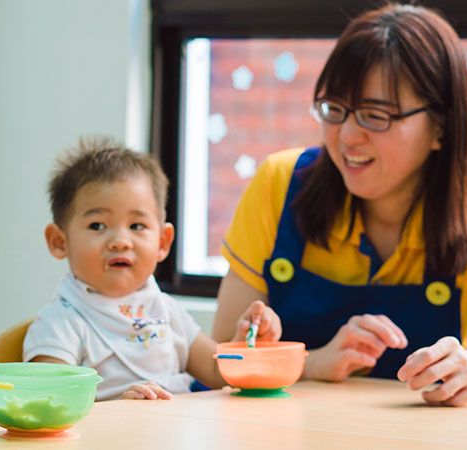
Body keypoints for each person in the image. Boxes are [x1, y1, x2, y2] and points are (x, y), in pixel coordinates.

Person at [211, 3, 467, 407]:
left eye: (375, 116)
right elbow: (220, 356)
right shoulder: (280, 184)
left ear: (440, 125)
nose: (348, 136)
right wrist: (313, 363)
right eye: (334, 110)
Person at [23, 138, 282, 401]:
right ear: (59, 242)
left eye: (136, 226)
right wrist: (116, 407)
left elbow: (218, 372)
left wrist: (246, 337)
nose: (120, 241)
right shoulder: (61, 324)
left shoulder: (165, 310)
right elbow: (49, 402)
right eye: (98, 226)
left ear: (162, 242)